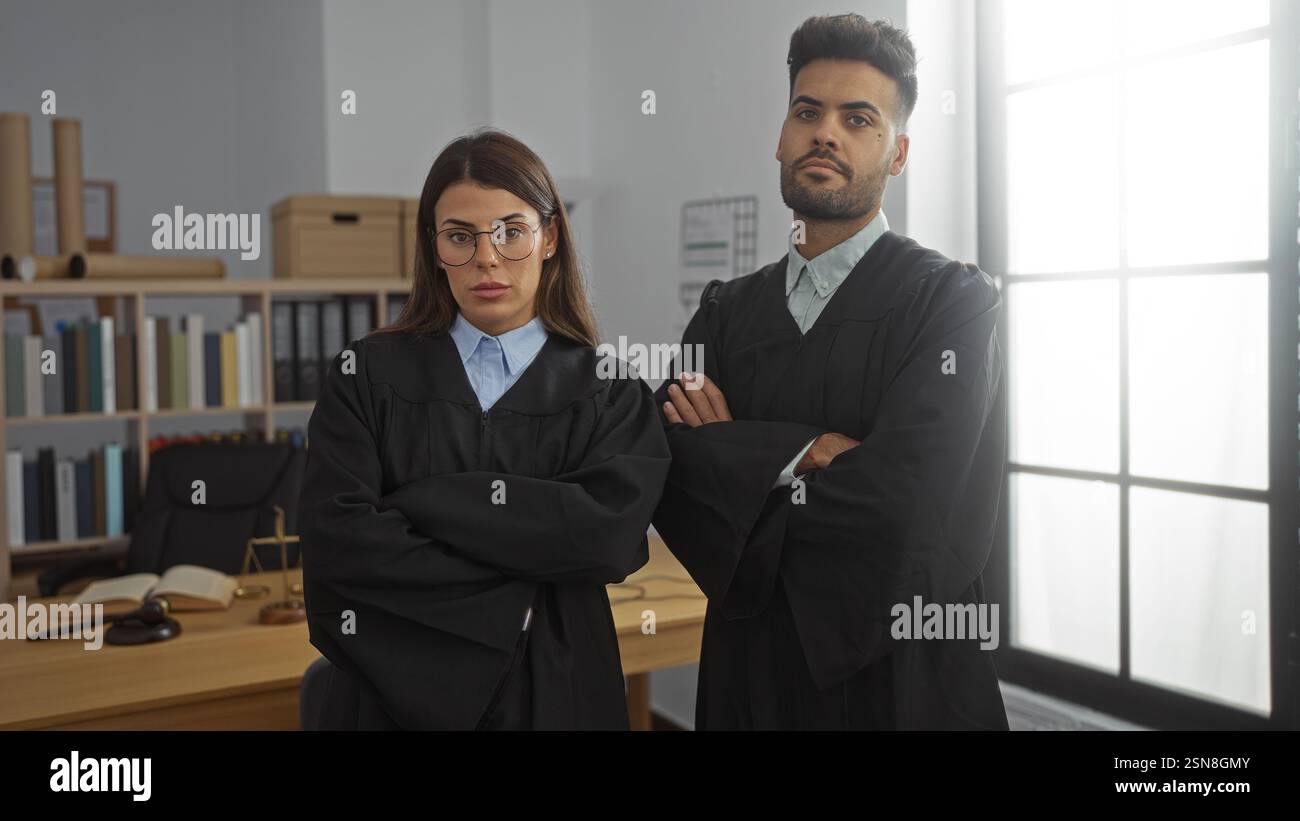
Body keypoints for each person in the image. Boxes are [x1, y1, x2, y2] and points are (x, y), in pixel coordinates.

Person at [652, 14, 1009, 729]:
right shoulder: (725, 312)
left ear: (898, 152)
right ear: (781, 137)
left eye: (859, 119)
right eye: (808, 112)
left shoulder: (950, 304)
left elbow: (907, 509)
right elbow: (671, 475)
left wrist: (744, 462)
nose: (826, 134)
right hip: (750, 674)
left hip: (902, 682)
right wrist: (810, 451)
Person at [299, 129, 671, 730]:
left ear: (549, 237)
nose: (487, 258)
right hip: (391, 697)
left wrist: (420, 503)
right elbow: (338, 545)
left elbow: (605, 538)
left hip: (557, 693)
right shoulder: (365, 377)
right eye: (460, 236)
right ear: (434, 246)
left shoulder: (609, 391)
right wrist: (519, 601)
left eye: (511, 231)